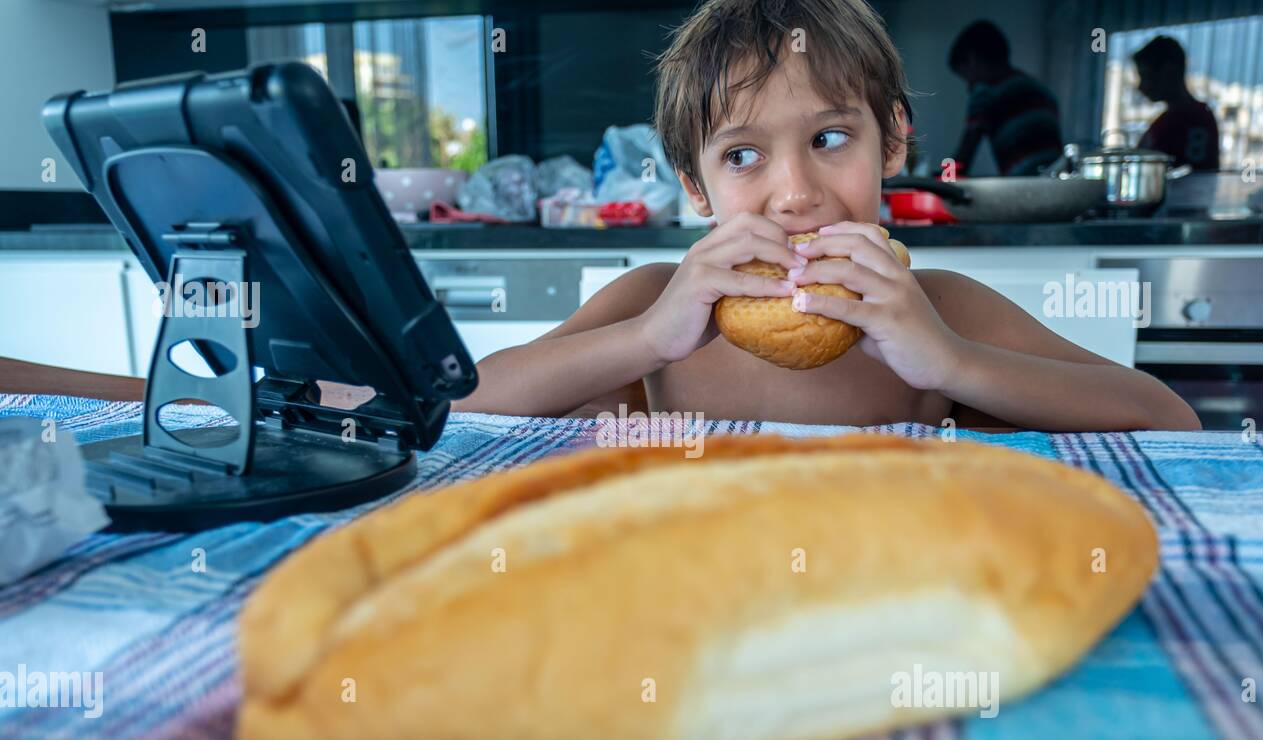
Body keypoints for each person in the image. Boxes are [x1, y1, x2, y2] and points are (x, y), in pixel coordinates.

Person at [452, 0, 1198, 432]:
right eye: (742, 156)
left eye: (830, 139)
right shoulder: (654, 300)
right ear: (696, 188)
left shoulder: (939, 309)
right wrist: (647, 340)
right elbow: (468, 405)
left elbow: (1169, 421)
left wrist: (951, 363)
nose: (795, 193)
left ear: (894, 142)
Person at [945, 20, 1064, 177]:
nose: (968, 86)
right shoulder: (1042, 91)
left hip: (1024, 190)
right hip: (1058, 181)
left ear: (972, 60)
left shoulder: (985, 92)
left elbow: (964, 159)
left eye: (966, 76)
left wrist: (941, 180)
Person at [1134, 35, 1220, 171]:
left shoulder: (1186, 119)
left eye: (1145, 76)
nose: (1140, 86)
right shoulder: (1190, 116)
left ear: (1169, 71)